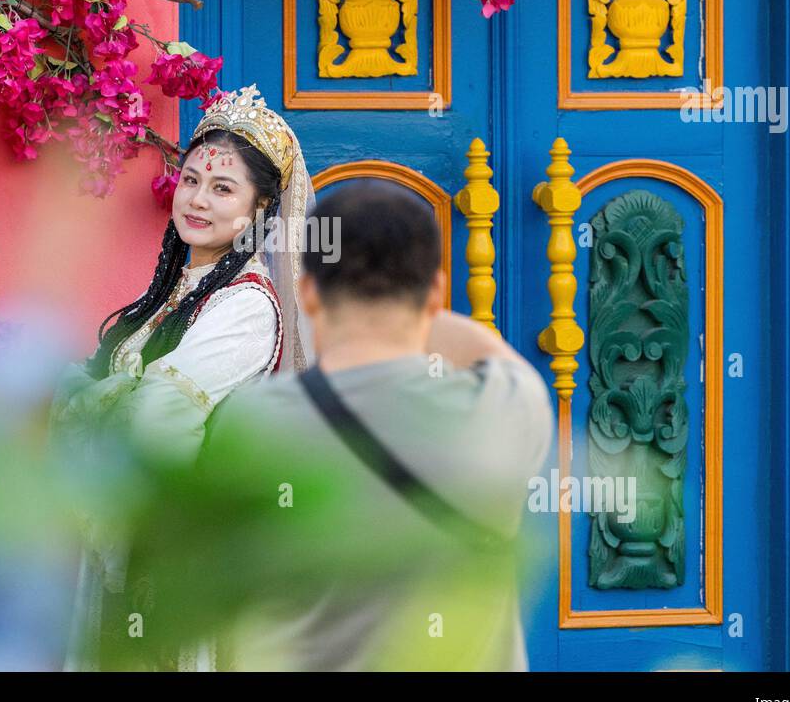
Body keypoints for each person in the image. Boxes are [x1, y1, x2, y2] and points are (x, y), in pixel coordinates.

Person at [200, 181, 554, 671]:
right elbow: (489, 352)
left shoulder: (252, 421)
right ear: (436, 292)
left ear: (307, 293)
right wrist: (419, 316)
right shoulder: (505, 407)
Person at [47, 83, 315, 670]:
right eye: (191, 180)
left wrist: (93, 406)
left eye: (223, 189)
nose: (197, 200)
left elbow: (159, 417)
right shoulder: (172, 292)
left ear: (259, 210)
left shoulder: (246, 306)